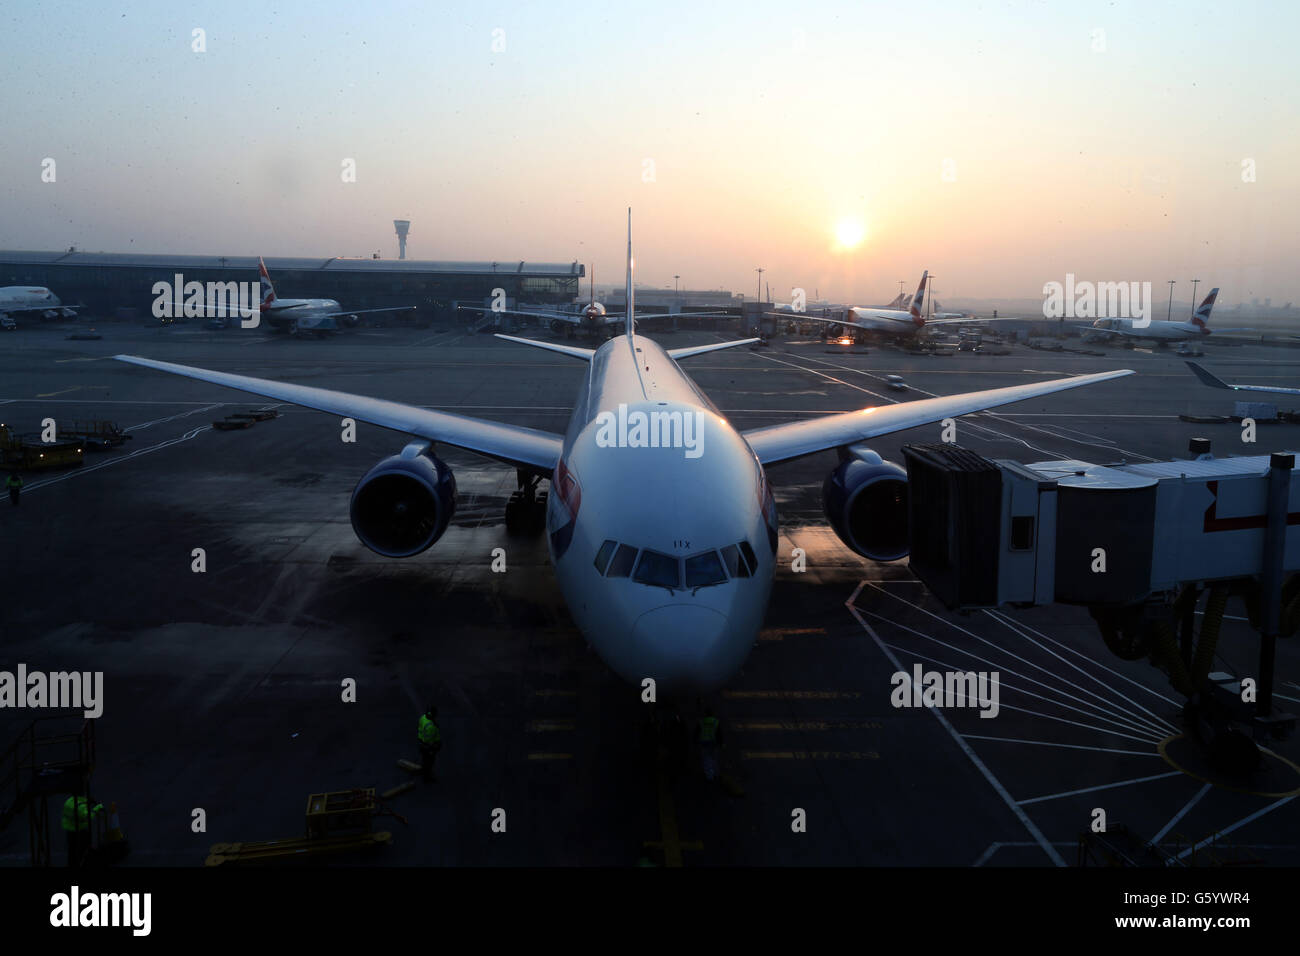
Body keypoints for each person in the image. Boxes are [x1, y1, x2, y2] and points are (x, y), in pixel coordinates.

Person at [62, 794, 104, 866]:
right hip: (79, 831)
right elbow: (87, 816)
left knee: (72, 851)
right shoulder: (80, 806)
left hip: (70, 830)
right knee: (82, 851)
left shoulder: (69, 801)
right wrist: (97, 808)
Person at [417, 705, 442, 782]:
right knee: (430, 761)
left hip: (422, 742)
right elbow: (430, 741)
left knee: (425, 760)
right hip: (428, 746)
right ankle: (427, 777)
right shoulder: (431, 727)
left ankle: (425, 772)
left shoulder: (423, 717)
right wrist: (433, 748)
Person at [698, 708, 722, 782]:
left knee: (706, 759)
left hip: (704, 742)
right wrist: (721, 742)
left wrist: (695, 741)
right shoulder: (715, 721)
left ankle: (709, 776)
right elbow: (719, 733)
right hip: (713, 742)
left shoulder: (702, 722)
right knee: (714, 758)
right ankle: (716, 774)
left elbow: (697, 732)